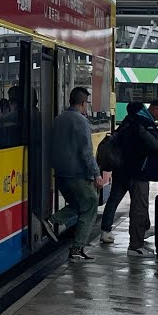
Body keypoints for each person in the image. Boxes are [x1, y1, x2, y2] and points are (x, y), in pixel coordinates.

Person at [99, 99, 158, 254]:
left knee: (115, 200)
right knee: (139, 207)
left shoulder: (129, 121)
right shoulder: (143, 122)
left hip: (121, 169)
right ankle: (136, 245)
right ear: (155, 108)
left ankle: (107, 231)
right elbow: (152, 143)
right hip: (138, 171)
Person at [43, 87, 104, 261]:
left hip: (60, 173)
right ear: (84, 103)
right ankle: (76, 248)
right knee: (91, 203)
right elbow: (86, 151)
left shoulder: (59, 119)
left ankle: (53, 221)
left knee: (80, 204)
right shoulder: (81, 121)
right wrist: (96, 174)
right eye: (87, 103)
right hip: (76, 174)